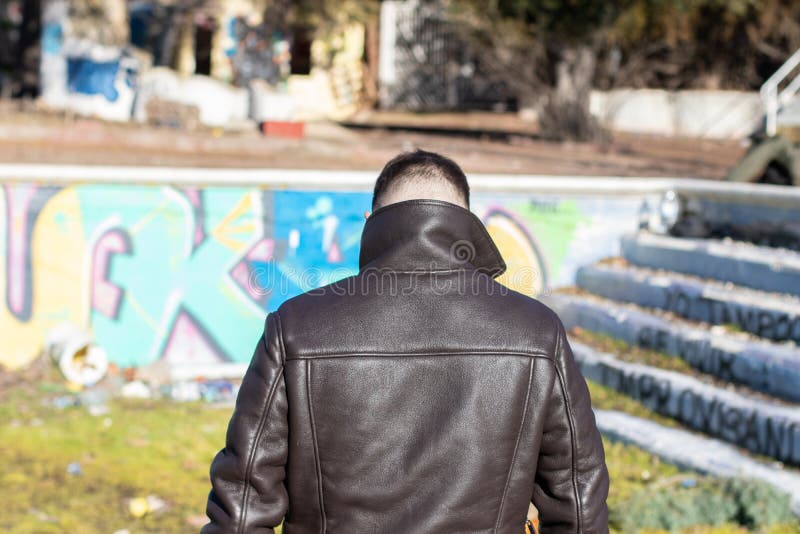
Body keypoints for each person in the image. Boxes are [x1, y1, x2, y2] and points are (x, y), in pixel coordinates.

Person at [201, 150, 609, 533]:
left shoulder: (295, 327)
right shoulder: (536, 332)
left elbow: (241, 510)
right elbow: (577, 502)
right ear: (466, 220)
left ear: (370, 220)